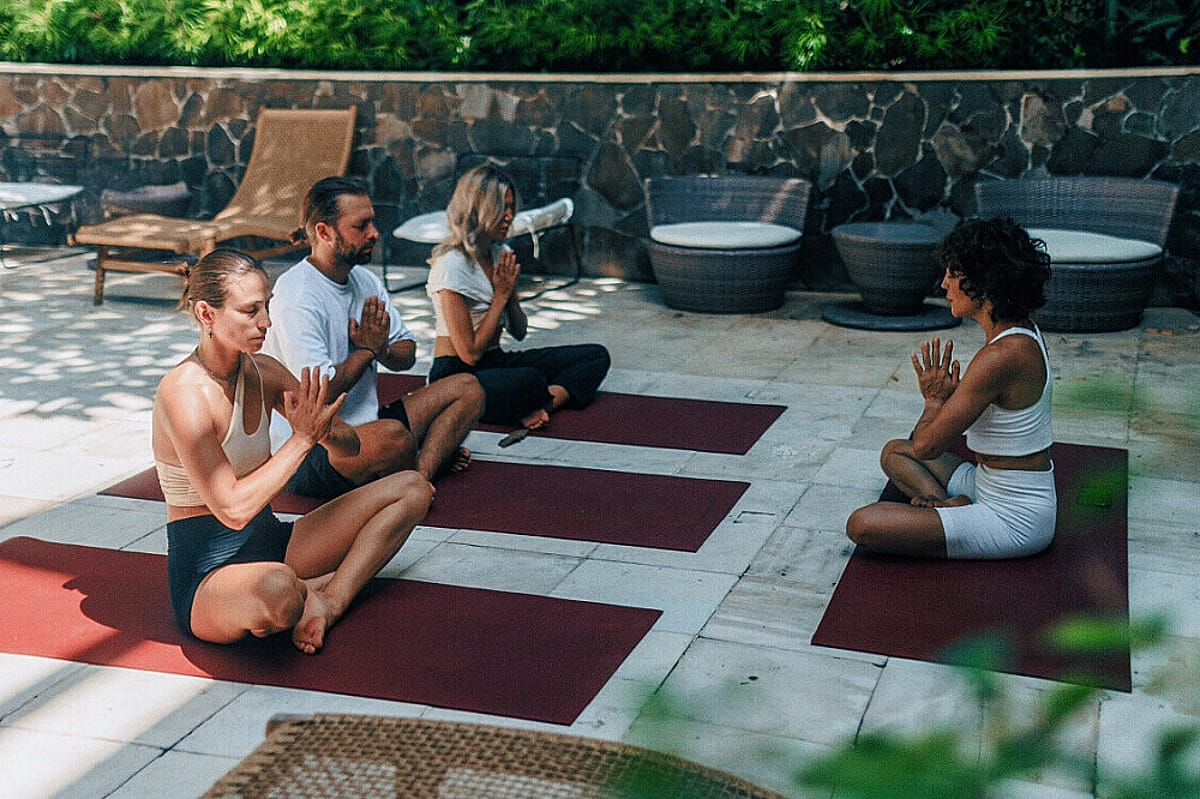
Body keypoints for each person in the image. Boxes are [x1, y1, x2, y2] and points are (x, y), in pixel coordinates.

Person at [152, 249, 433, 654]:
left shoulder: (264, 371)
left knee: (412, 488)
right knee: (281, 594)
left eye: (266, 306)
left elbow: (351, 447)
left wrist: (325, 429)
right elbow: (232, 509)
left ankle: (329, 600)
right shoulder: (184, 394)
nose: (266, 322)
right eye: (250, 311)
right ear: (206, 314)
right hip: (208, 574)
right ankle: (305, 591)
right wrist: (302, 440)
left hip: (274, 541)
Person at [845, 216, 1056, 559]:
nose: (944, 284)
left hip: (1014, 517)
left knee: (863, 524)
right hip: (986, 483)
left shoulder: (1002, 356)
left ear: (984, 283)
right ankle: (946, 505)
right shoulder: (1021, 333)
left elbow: (928, 446)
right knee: (895, 452)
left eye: (954, 274)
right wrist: (937, 402)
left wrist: (934, 404)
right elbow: (917, 444)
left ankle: (951, 513)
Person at [264, 177, 484, 499]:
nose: (374, 233)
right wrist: (367, 351)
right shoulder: (296, 294)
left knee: (468, 388)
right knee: (394, 438)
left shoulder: (363, 280)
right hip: (313, 448)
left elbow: (406, 351)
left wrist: (382, 349)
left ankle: (419, 474)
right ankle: (413, 462)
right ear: (324, 233)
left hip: (370, 425)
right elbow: (317, 397)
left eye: (373, 222)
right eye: (361, 226)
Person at [426, 165, 611, 428]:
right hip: (455, 375)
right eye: (503, 208)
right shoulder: (451, 265)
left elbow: (520, 331)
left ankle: (543, 405)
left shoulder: (498, 253)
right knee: (529, 380)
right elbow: (469, 354)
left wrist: (511, 293)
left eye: (512, 208)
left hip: (496, 362)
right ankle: (525, 401)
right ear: (479, 209)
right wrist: (500, 296)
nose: (510, 216)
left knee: (594, 355)